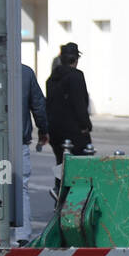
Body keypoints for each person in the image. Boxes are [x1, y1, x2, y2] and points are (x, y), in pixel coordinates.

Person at [45, 42, 91, 197]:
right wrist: (86, 125)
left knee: (61, 161)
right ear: (76, 60)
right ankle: (76, 198)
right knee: (81, 164)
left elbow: (49, 104)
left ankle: (59, 190)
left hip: (55, 130)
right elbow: (80, 103)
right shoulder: (76, 76)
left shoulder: (52, 79)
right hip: (74, 130)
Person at [17, 63, 49, 244]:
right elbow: (38, 105)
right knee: (21, 188)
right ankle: (23, 236)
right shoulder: (25, 72)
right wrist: (43, 130)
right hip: (19, 141)